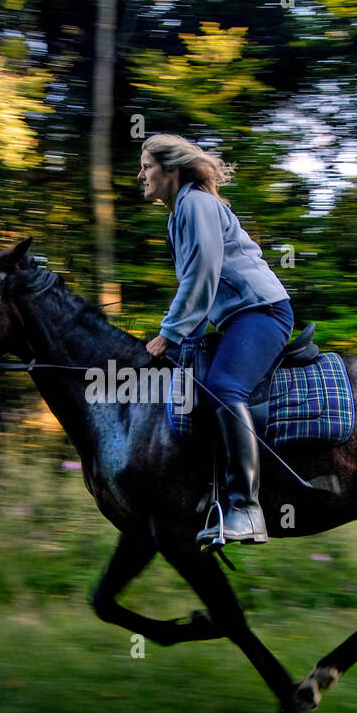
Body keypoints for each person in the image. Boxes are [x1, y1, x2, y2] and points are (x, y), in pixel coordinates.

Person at [138, 133, 294, 546]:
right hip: (234, 319)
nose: (141, 175)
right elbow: (201, 290)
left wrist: (169, 334)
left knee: (225, 388)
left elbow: (201, 278)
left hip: (262, 312)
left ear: (170, 169)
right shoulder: (177, 215)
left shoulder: (196, 204)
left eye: (147, 166)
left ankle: (246, 509)